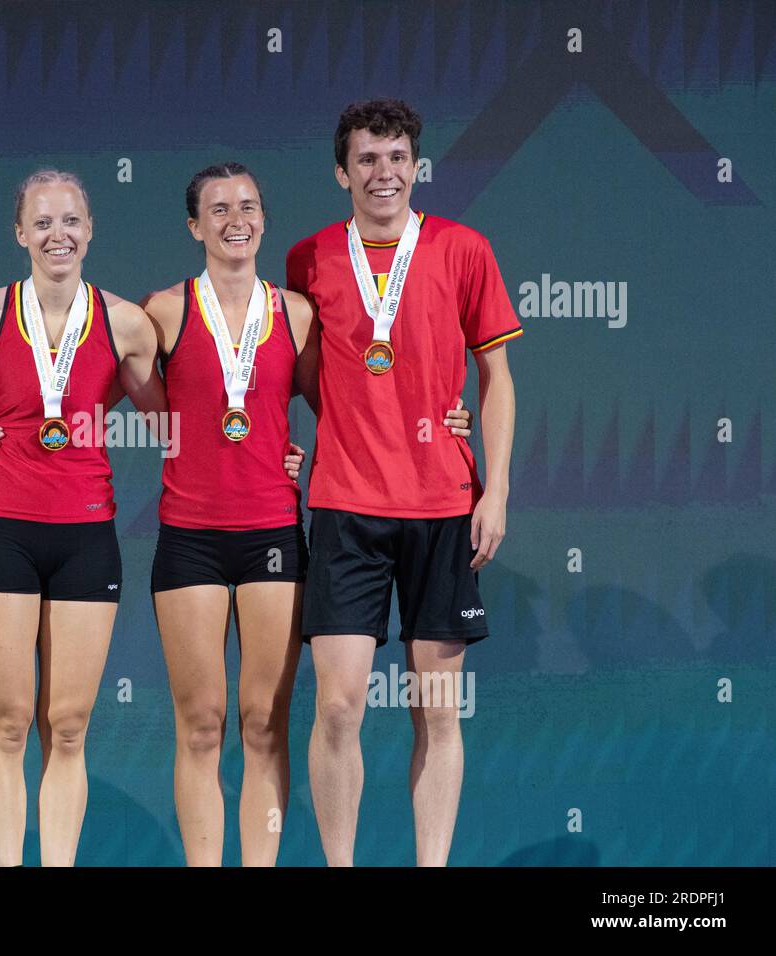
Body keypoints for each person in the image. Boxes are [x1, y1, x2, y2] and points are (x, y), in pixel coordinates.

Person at [137, 163, 472, 866]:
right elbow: (111, 400)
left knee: (263, 724)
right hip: (189, 536)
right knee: (200, 725)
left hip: (272, 532)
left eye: (249, 206)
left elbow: (349, 402)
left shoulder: (296, 313)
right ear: (194, 225)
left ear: (263, 218)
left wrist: (444, 423)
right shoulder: (162, 312)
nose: (237, 219)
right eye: (219, 208)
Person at [285, 98, 520, 866]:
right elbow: (293, 376)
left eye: (395, 159)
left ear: (415, 166)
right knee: (339, 708)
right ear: (341, 171)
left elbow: (497, 377)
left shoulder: (463, 248)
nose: (382, 174)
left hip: (442, 506)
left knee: (436, 713)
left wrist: (497, 491)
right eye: (366, 160)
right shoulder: (309, 258)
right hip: (346, 508)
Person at [0, 170, 163, 866]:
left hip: (86, 536)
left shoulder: (127, 322)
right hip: (2, 530)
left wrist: (277, 451)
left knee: (66, 727)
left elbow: (175, 419)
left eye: (70, 221)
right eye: (42, 223)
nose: (57, 234)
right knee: (5, 723)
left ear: (91, 231)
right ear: (20, 233)